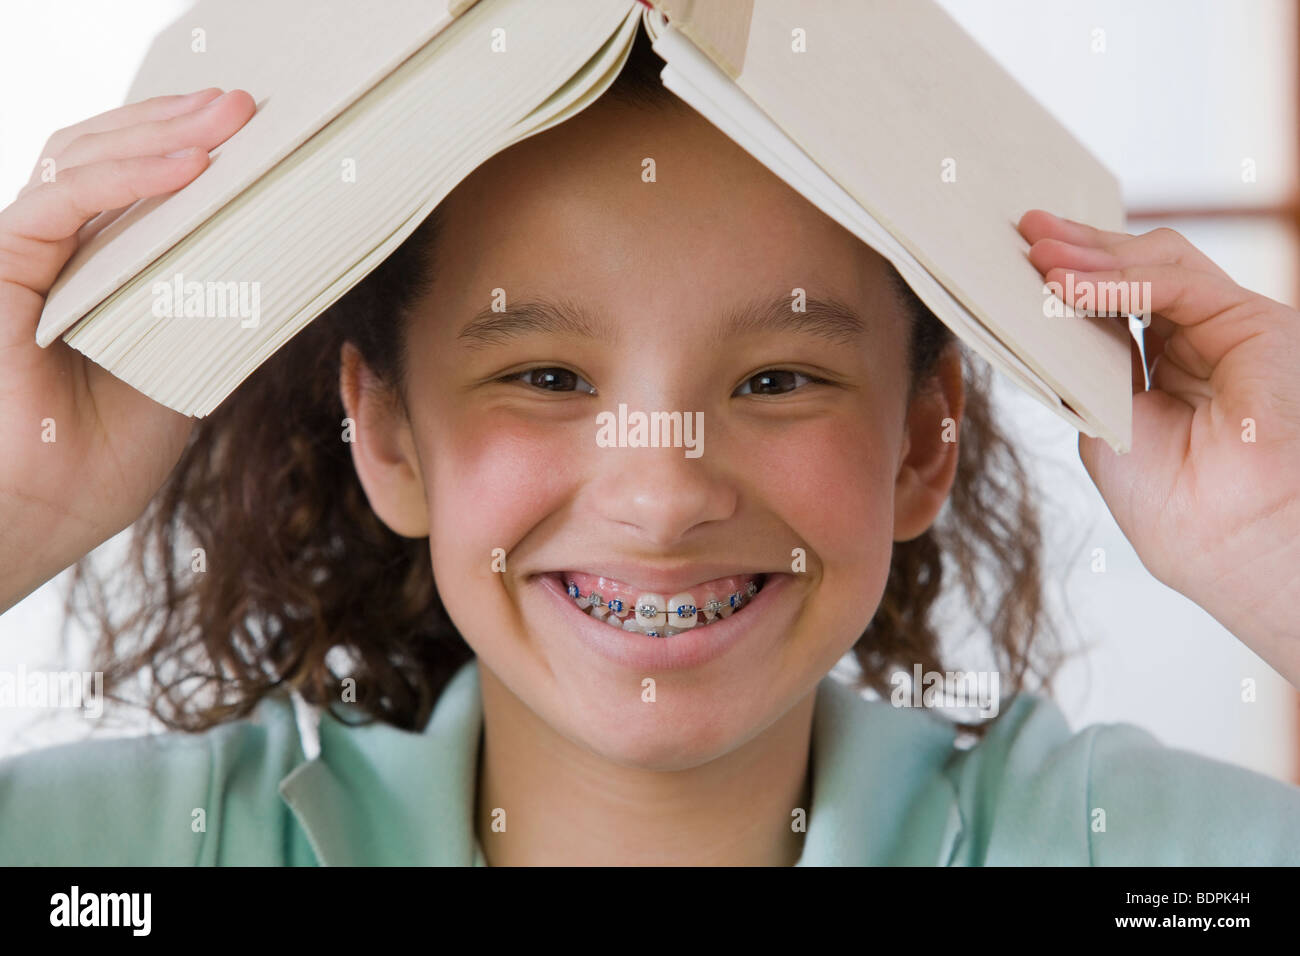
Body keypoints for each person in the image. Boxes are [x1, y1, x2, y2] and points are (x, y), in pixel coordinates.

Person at [1, 27, 1298, 866]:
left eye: (780, 377)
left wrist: (1275, 552)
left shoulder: (1105, 854)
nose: (665, 492)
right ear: (386, 434)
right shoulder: (152, 855)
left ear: (922, 439)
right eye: (548, 376)